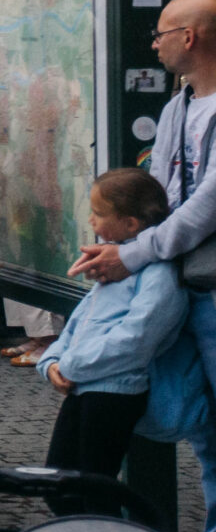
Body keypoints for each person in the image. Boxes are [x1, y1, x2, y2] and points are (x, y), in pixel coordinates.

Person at [73, 0, 216, 532]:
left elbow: (206, 205)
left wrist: (134, 254)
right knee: (203, 427)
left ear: (191, 37)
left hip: (209, 286)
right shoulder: (178, 106)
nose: (153, 44)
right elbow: (162, 194)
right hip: (180, 280)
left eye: (160, 33)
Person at [39, 170, 187, 500]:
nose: (90, 219)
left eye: (98, 213)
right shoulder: (114, 263)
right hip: (84, 386)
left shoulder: (158, 274)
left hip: (113, 393)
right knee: (58, 484)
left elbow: (136, 340)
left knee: (92, 487)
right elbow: (80, 320)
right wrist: (52, 361)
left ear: (131, 223)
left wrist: (71, 365)